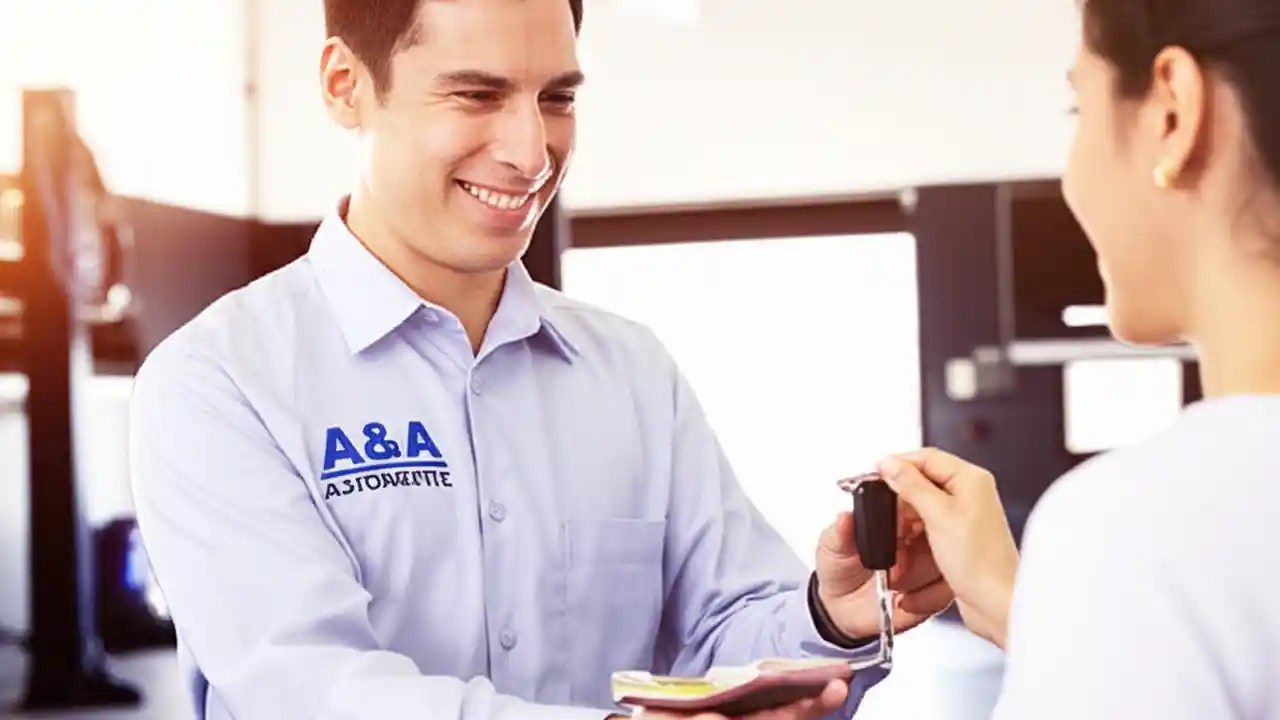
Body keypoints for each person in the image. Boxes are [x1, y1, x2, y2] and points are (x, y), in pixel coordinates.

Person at [127, 1, 951, 718]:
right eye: (476, 94)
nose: (531, 151)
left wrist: (828, 617)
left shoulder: (630, 372)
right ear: (346, 84)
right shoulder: (218, 385)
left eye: (556, 98)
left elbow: (721, 638)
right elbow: (311, 692)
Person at [876, 0, 1280, 717]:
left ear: (1172, 113)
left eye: (1077, 109)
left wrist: (1085, 586)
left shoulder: (1136, 528)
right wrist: (1031, 605)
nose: (1072, 175)